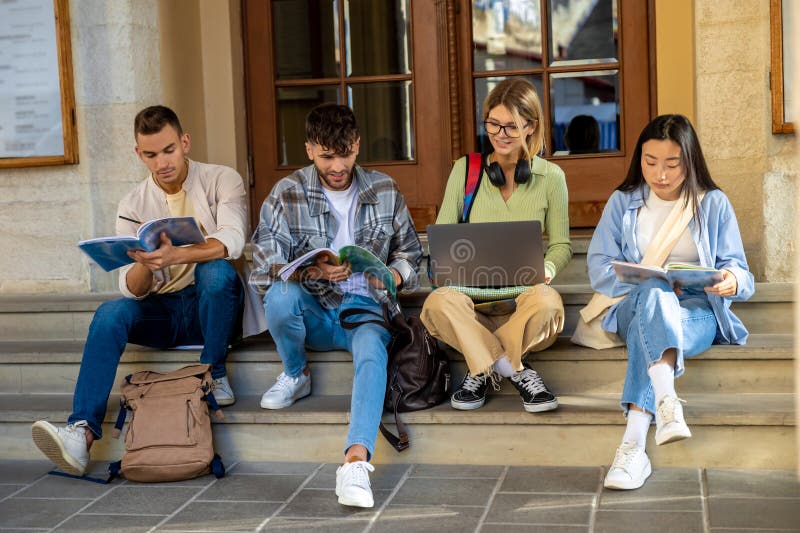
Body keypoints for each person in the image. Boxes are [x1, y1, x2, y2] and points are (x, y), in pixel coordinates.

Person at [31, 105, 250, 477]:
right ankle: (81, 433)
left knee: (214, 272)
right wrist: (145, 265)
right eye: (150, 154)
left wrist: (176, 255)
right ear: (139, 154)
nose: (162, 162)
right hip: (163, 311)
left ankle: (214, 370)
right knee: (110, 313)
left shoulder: (221, 179)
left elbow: (232, 241)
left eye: (168, 150)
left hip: (213, 308)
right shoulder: (132, 203)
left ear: (185, 142)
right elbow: (130, 289)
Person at [250, 103, 422, 508]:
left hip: (364, 309)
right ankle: (296, 373)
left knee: (370, 351)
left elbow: (412, 256)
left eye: (345, 153)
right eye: (327, 156)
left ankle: (355, 464)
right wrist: (315, 273)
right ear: (309, 149)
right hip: (312, 309)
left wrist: (392, 276)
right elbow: (261, 269)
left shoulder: (384, 190)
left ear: (357, 145)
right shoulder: (285, 194)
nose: (338, 165)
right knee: (279, 295)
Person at [587, 114, 754, 490]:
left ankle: (633, 448)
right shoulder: (623, 202)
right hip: (634, 301)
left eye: (672, 164)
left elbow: (740, 270)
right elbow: (598, 267)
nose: (660, 174)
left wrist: (731, 281)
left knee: (652, 323)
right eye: (650, 162)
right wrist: (648, 281)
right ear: (639, 160)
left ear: (690, 161)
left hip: (696, 311)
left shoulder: (712, 204)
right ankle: (666, 400)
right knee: (653, 292)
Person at [420, 78, 572, 413]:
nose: (500, 134)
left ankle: (480, 365)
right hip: (471, 305)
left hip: (523, 305)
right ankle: (513, 368)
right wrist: (446, 264)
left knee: (549, 303)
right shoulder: (465, 171)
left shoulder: (552, 178)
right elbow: (443, 236)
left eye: (512, 126)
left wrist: (547, 268)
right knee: (436, 303)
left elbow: (562, 246)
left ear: (531, 126)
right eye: (493, 123)